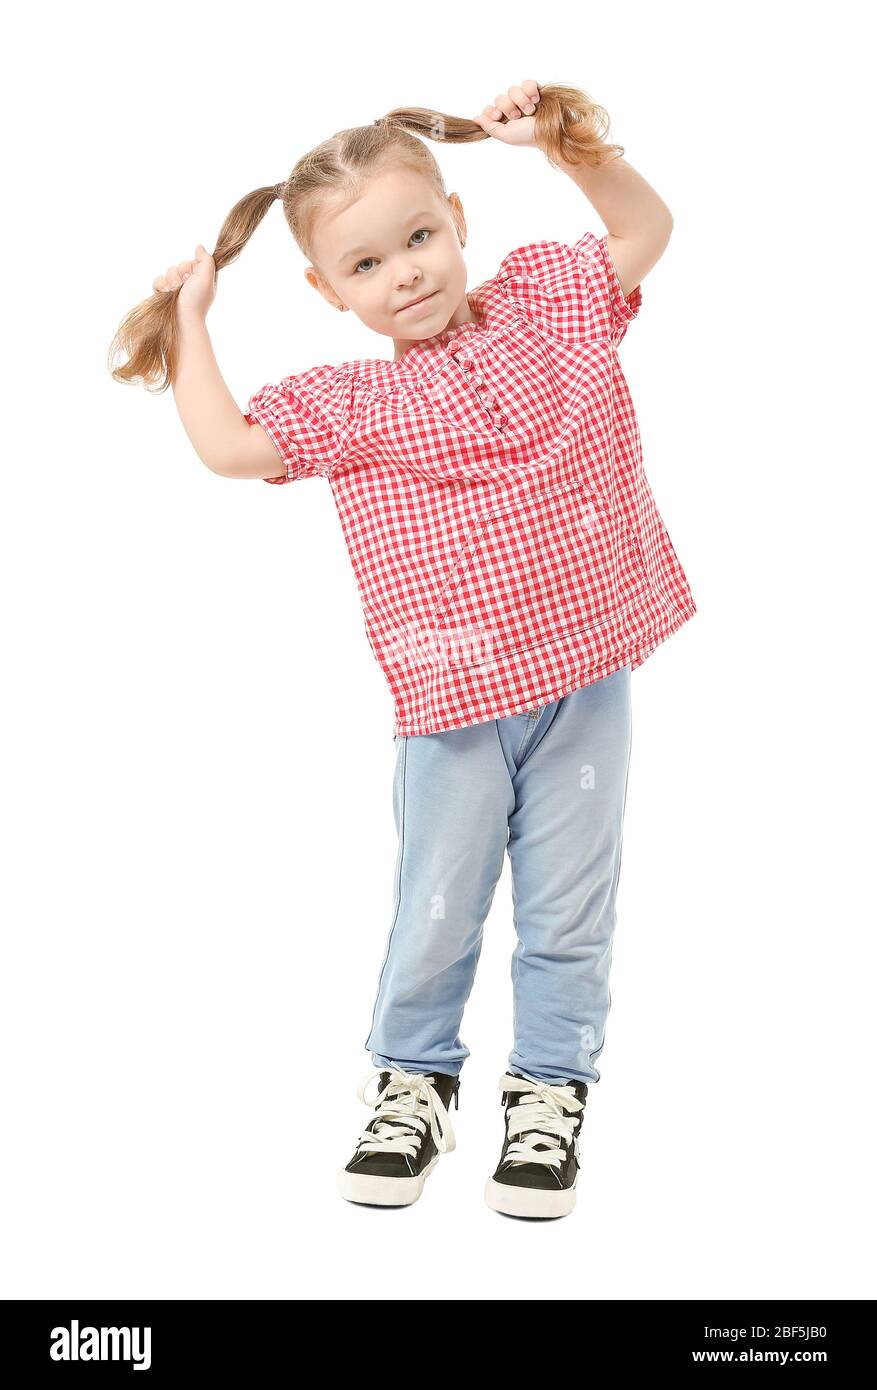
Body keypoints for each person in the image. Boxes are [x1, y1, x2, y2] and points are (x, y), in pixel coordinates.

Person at [109, 79, 697, 1220]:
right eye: (368, 265)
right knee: (439, 899)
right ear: (328, 293)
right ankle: (412, 1082)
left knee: (571, 905)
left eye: (419, 237)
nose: (407, 273)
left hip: (586, 682)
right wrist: (190, 320)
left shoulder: (549, 307)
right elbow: (228, 448)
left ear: (459, 221)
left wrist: (563, 151)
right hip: (453, 703)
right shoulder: (350, 405)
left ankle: (548, 1091)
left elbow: (644, 232)